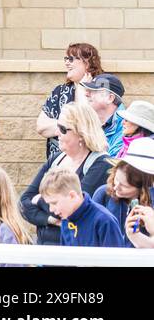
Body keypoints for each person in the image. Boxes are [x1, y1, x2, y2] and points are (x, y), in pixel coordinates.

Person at [19, 101, 112, 244]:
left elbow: (75, 207)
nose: (57, 133)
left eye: (63, 129)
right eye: (57, 127)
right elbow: (24, 202)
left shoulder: (100, 164)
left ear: (81, 133)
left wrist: (38, 200)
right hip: (43, 247)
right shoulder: (56, 159)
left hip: (73, 249)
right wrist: (49, 219)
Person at [37, 42, 103, 162]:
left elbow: (89, 129)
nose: (67, 62)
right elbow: (41, 127)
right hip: (57, 162)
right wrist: (71, 127)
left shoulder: (99, 93)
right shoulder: (60, 91)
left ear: (87, 62)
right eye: (66, 59)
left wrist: (82, 90)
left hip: (86, 163)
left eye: (71, 59)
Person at [41, 168, 127, 249]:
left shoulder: (104, 221)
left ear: (72, 196)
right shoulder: (66, 220)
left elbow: (115, 261)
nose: (51, 209)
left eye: (54, 203)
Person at [80, 73, 126, 156]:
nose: (86, 94)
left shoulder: (125, 127)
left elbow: (111, 163)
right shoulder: (89, 120)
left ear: (110, 98)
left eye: (93, 91)